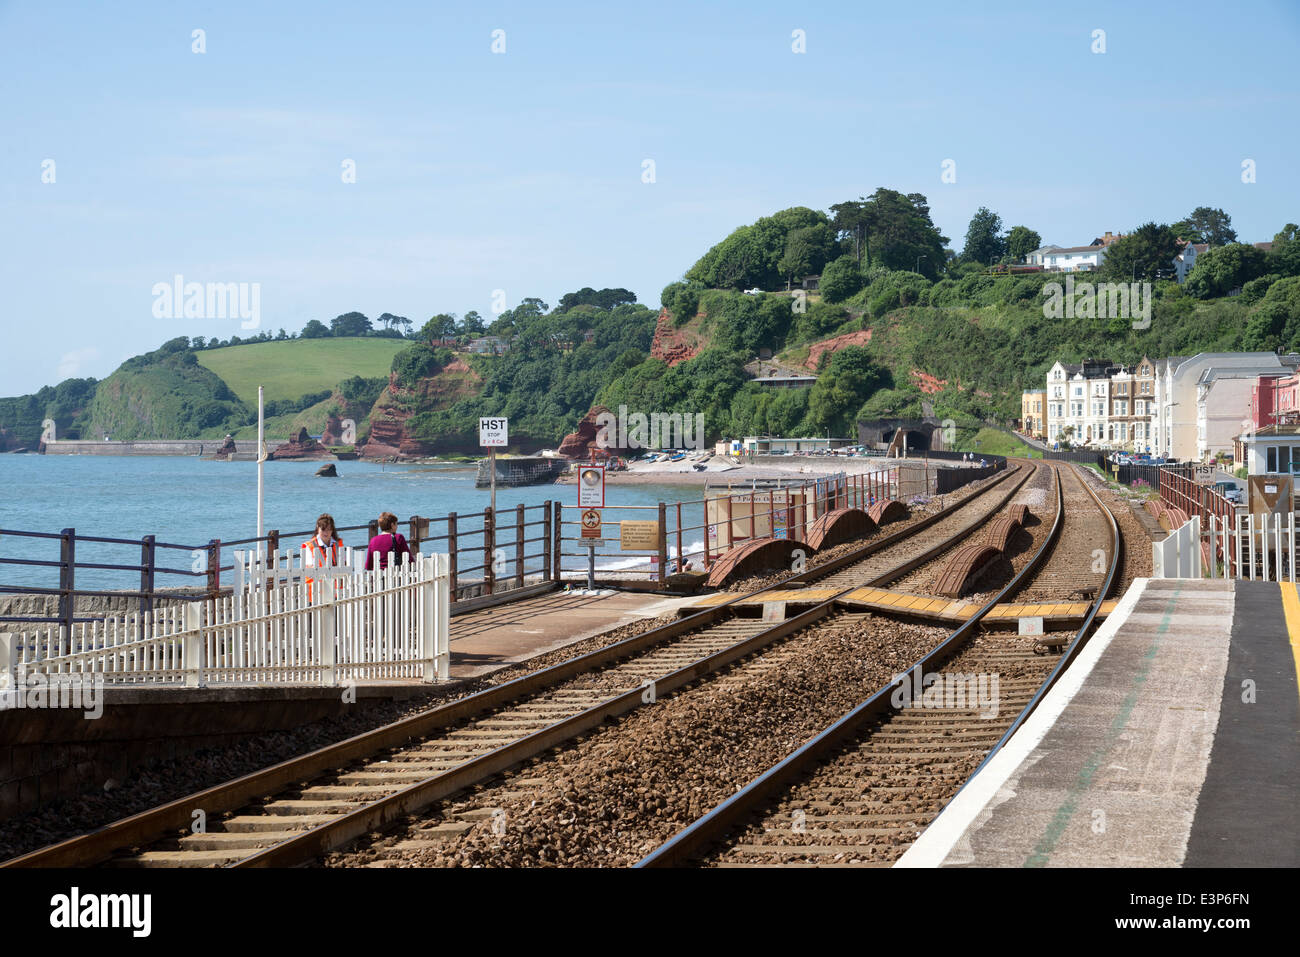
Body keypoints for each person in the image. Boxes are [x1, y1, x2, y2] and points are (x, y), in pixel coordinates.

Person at [301, 513, 343, 600]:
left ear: (332, 530)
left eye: (329, 529)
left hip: (336, 592)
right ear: (318, 528)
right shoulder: (310, 546)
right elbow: (309, 571)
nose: (326, 532)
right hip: (315, 593)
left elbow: (344, 566)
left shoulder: (338, 544)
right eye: (323, 529)